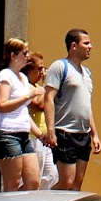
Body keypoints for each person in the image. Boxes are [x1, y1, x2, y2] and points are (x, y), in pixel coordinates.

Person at [42, 28, 101, 191]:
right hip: (65, 133)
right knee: (66, 181)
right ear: (74, 46)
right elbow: (48, 98)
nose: (91, 46)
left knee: (77, 183)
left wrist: (94, 134)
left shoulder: (87, 73)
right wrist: (51, 130)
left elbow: (87, 105)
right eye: (86, 43)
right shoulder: (60, 67)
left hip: (83, 134)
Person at [0, 37, 41, 191]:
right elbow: (2, 105)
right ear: (13, 56)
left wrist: (39, 134)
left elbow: (23, 111)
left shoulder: (22, 77)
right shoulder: (5, 75)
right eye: (24, 52)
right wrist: (29, 96)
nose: (27, 56)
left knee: (33, 181)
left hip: (24, 134)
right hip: (8, 134)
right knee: (12, 184)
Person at [24, 55, 59, 190]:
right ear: (29, 70)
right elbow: (39, 104)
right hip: (33, 138)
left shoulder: (37, 87)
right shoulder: (26, 87)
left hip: (43, 138)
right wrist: (47, 85)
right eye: (39, 69)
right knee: (35, 176)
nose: (42, 72)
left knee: (52, 175)